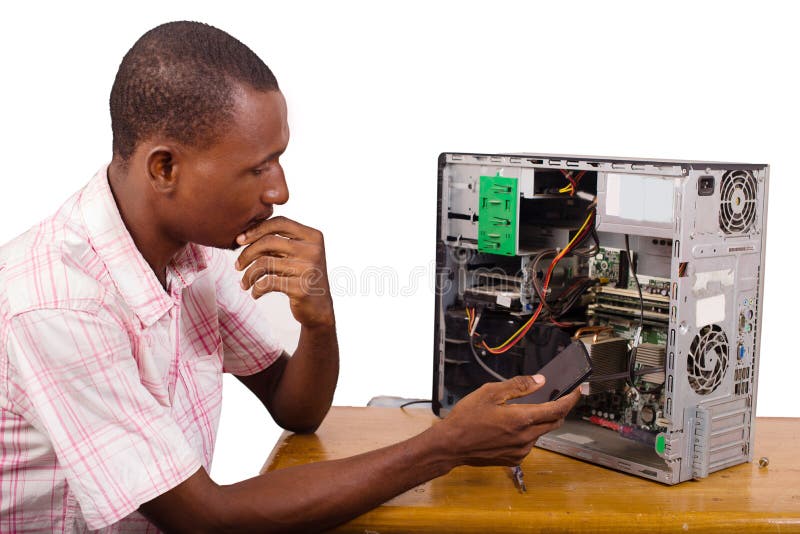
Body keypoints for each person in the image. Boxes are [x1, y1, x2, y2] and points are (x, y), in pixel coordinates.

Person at [0, 21, 580, 532]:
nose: (280, 191)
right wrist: (443, 448)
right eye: (257, 167)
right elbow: (204, 518)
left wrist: (319, 318)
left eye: (278, 158)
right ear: (165, 167)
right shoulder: (60, 302)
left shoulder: (192, 252)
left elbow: (294, 407)